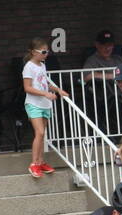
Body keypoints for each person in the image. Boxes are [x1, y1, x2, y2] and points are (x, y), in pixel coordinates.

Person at [23, 38, 70, 178]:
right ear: (33, 52)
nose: (46, 54)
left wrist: (58, 90)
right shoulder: (29, 67)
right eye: (43, 52)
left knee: (43, 135)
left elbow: (45, 83)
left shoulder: (42, 65)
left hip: (44, 104)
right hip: (33, 104)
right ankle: (34, 164)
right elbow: (27, 88)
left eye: (47, 51)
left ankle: (41, 161)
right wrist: (45, 94)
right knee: (40, 132)